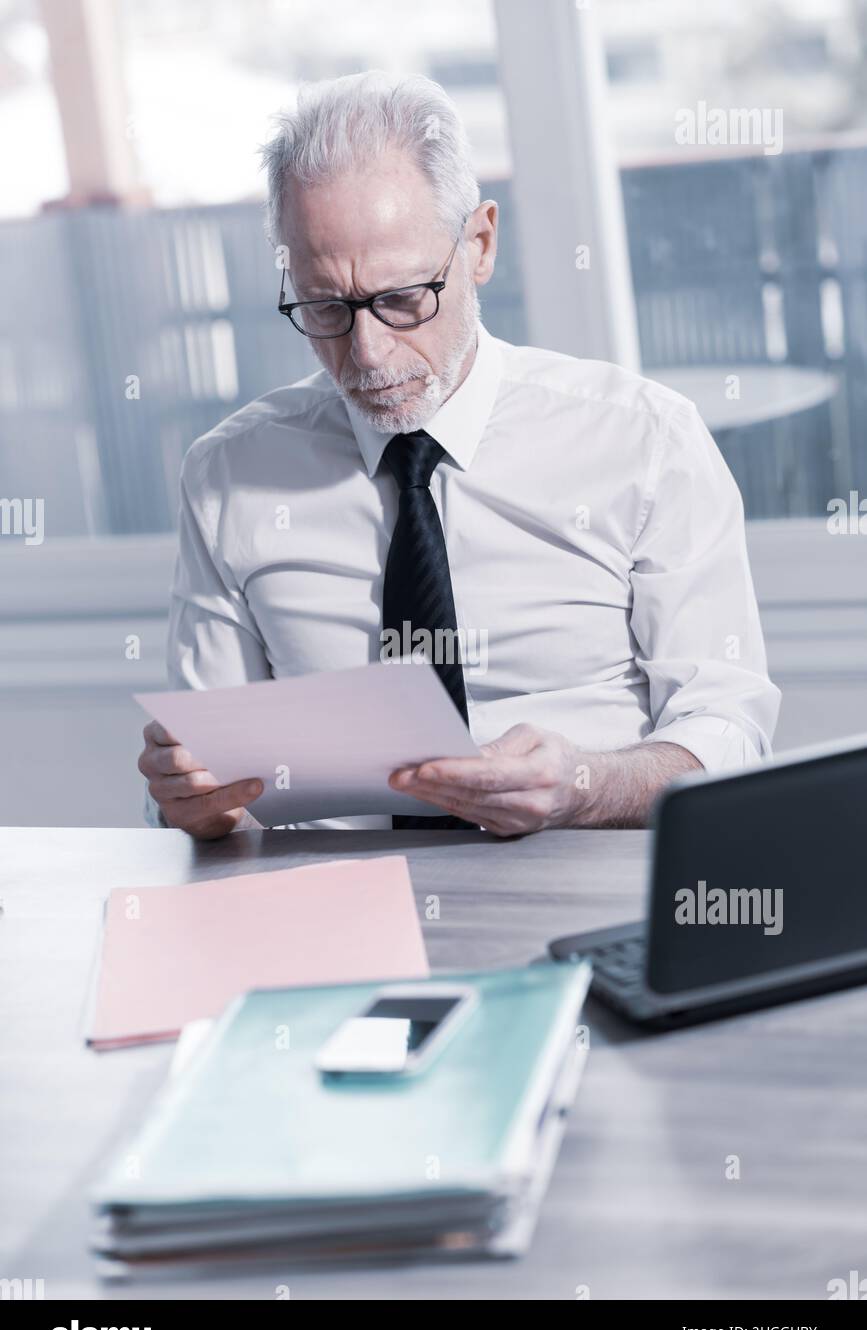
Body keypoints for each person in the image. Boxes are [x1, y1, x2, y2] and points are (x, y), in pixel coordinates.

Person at [138, 70, 779, 839]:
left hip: (585, 888)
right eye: (323, 308)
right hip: (337, 918)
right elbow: (209, 788)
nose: (367, 354)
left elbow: (729, 736)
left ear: (477, 244)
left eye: (403, 297)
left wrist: (586, 783)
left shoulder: (644, 443)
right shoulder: (231, 475)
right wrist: (189, 802)